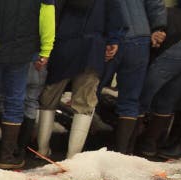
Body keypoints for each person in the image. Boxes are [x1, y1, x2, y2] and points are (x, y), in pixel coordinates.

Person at [37, 0, 124, 159]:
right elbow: (115, 17)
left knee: (49, 99)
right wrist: (113, 40)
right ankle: (72, 157)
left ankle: (42, 151)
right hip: (93, 48)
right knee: (84, 103)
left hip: (61, 45)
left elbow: (49, 12)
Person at [0, 0, 56, 169]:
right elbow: (47, 16)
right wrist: (45, 50)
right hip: (22, 52)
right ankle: (6, 156)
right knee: (15, 101)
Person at [98, 0, 167, 154]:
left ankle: (80, 151)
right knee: (130, 99)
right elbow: (156, 3)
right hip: (140, 37)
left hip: (109, 36)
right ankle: (122, 153)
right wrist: (159, 27)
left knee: (90, 93)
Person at [137, 5, 181, 157]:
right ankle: (149, 145)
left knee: (141, 97)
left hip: (173, 40)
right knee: (168, 99)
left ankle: (130, 144)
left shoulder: (165, 10)